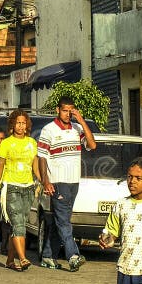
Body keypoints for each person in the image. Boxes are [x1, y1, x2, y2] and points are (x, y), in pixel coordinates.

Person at [37, 96, 97, 271]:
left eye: (71, 111)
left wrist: (81, 120)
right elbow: (42, 157)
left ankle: (48, 256)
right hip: (58, 181)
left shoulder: (77, 128)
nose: (68, 114)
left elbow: (92, 145)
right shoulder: (48, 130)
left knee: (60, 220)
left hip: (73, 181)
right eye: (65, 110)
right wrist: (45, 181)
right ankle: (73, 255)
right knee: (64, 221)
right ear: (58, 110)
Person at [0, 110, 40, 272]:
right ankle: (23, 258)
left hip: (28, 188)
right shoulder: (6, 143)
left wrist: (42, 181)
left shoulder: (32, 143)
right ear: (12, 125)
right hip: (11, 187)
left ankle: (10, 260)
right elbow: (0, 167)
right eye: (18, 123)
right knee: (18, 224)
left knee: (18, 225)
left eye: (23, 123)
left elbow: (35, 165)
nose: (20, 126)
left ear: (27, 125)